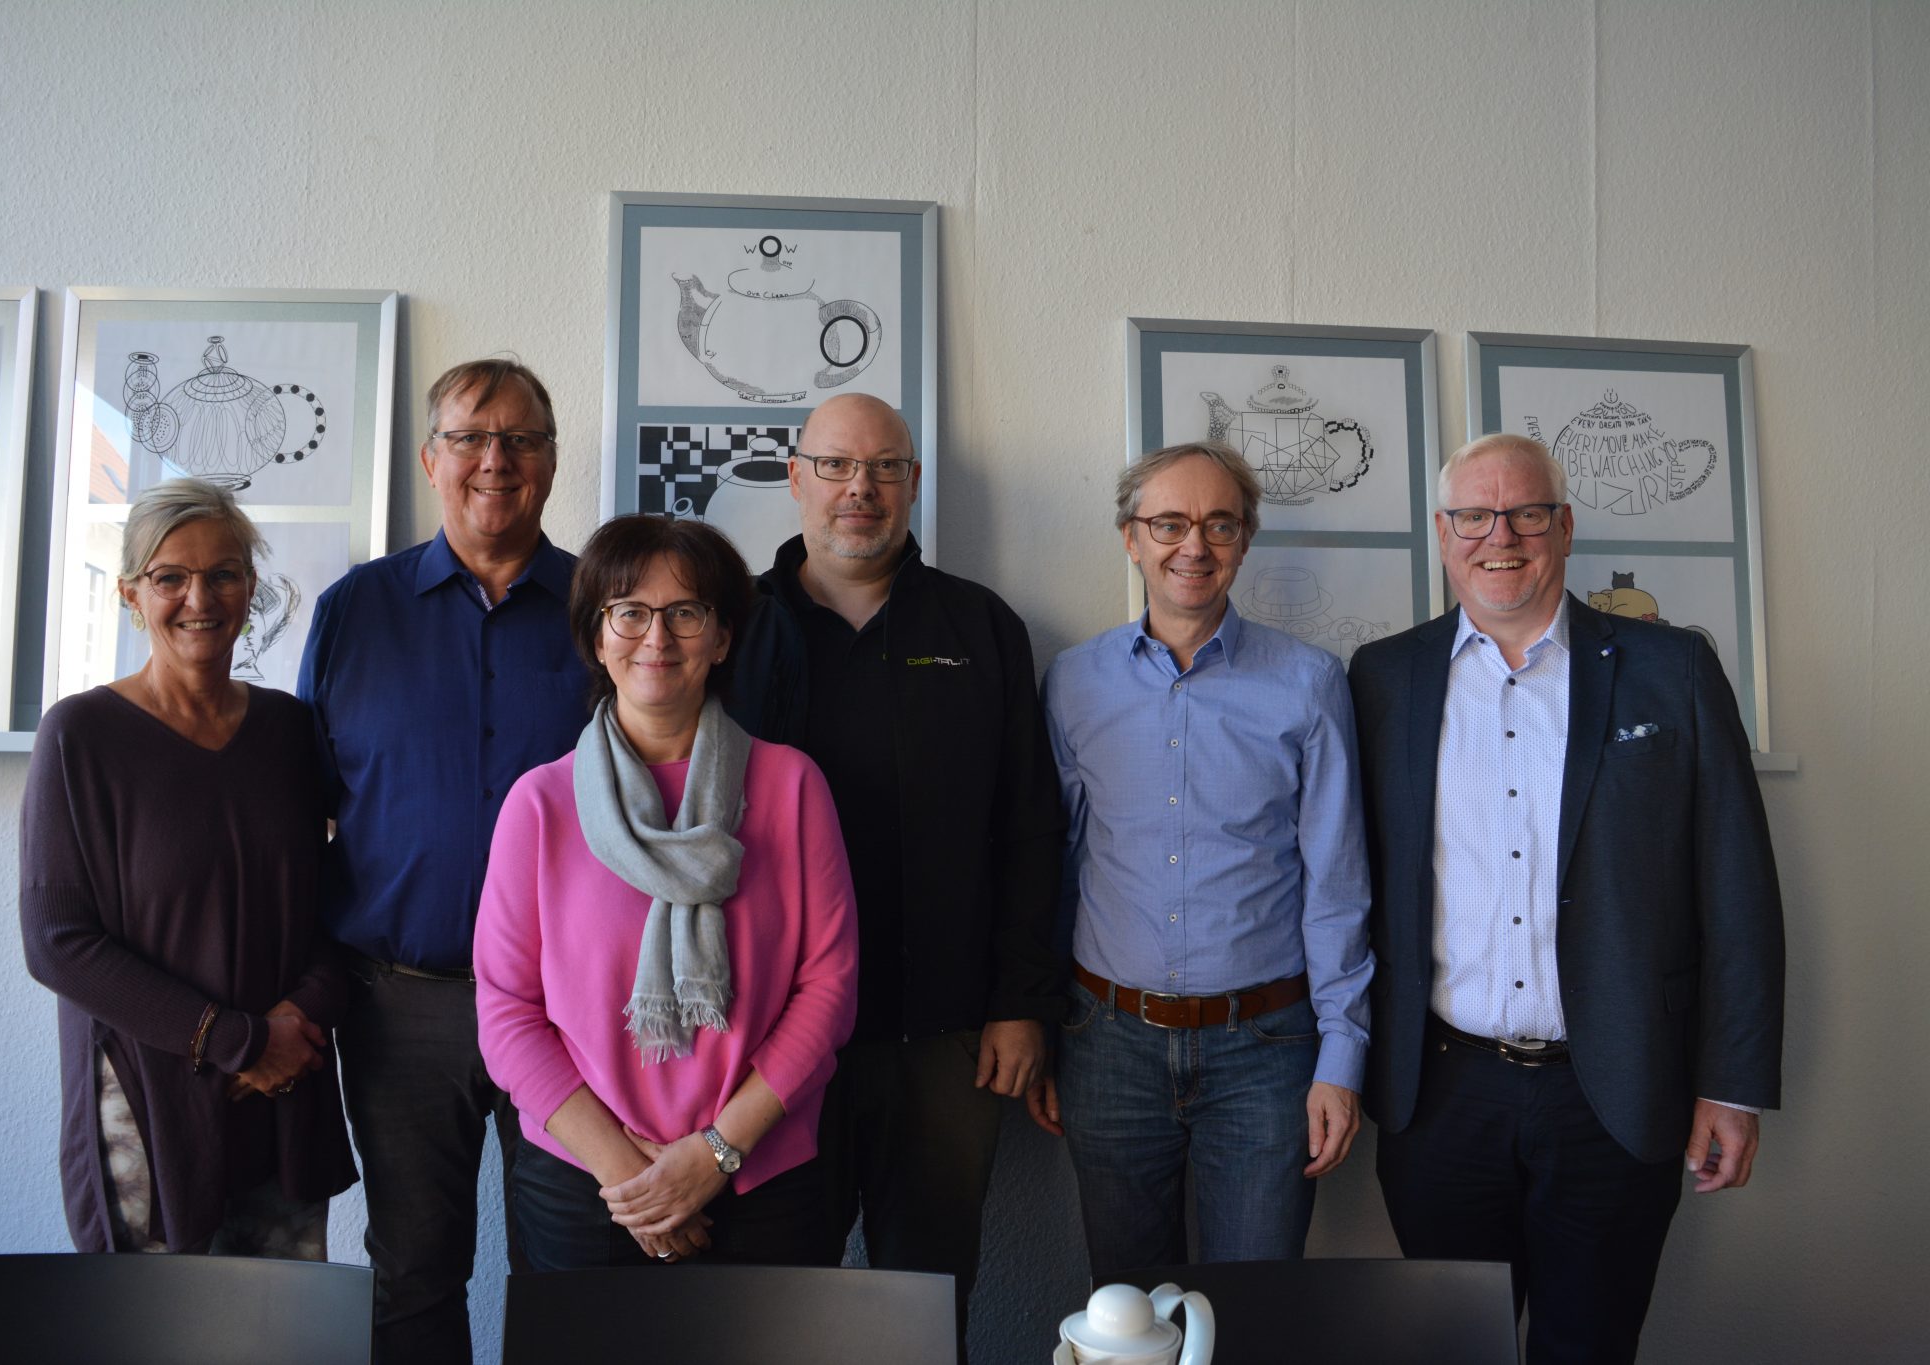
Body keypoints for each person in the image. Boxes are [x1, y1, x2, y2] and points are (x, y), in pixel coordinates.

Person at [1346, 433, 1785, 1364]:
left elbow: (1738, 888)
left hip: (1617, 1087)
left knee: (1589, 1349)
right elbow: (1349, 884)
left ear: (1565, 525)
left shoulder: (1674, 669)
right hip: (1439, 1094)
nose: (1499, 535)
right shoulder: (1384, 679)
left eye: (1526, 512)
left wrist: (1732, 1084)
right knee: (1451, 1349)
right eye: (1474, 514)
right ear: (1442, 531)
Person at [725, 393, 1063, 1353]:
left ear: (912, 483)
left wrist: (1022, 1000)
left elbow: (1031, 824)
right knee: (780, 1301)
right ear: (795, 477)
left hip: (947, 1038)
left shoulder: (982, 625)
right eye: (835, 466)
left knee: (927, 1302)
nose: (858, 490)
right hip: (772, 1044)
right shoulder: (729, 627)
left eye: (883, 468)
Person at [296, 359, 590, 1364]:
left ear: (551, 462)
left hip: (571, 1008)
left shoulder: (609, 610)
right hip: (400, 1006)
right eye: (470, 436)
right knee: (413, 1274)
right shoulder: (352, 612)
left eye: (522, 439)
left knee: (572, 1269)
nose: (495, 460)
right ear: (430, 457)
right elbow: (307, 812)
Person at [475, 514, 857, 1269]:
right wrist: (630, 1175)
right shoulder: (540, 805)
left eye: (686, 612)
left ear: (721, 638)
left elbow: (829, 989)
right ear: (595, 635)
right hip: (586, 1183)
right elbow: (506, 1012)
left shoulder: (791, 786)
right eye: (630, 612)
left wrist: (713, 1154)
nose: (657, 638)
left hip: (761, 1176)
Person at [1033, 440, 1374, 1278]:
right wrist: (1042, 1027)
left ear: (1246, 538)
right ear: (1131, 537)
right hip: (1106, 1045)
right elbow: (1057, 867)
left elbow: (1337, 886)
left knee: (1252, 1310)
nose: (1195, 546)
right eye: (1170, 523)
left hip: (1266, 1050)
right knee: (1126, 1311)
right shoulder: (1073, 682)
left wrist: (1342, 1057)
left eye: (1219, 523)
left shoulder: (1309, 683)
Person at [20, 478, 356, 1258]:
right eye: (171, 577)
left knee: (280, 1333)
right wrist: (236, 1041)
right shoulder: (80, 736)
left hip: (282, 1091)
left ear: (250, 588)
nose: (198, 597)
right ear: (133, 593)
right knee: (150, 1330)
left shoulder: (288, 729)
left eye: (224, 573)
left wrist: (294, 1026)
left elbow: (331, 897)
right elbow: (57, 940)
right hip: (150, 1098)